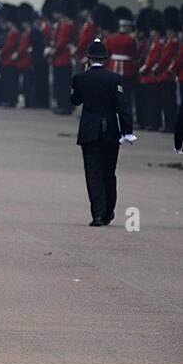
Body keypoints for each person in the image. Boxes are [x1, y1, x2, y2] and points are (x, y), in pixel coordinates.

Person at [71, 38, 135, 226]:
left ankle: (97, 214)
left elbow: (75, 100)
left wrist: (79, 80)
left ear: (89, 58)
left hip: (89, 130)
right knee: (109, 173)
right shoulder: (114, 78)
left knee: (93, 174)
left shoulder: (80, 78)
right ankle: (108, 212)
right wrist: (127, 131)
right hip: (111, 132)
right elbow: (123, 107)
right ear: (105, 59)